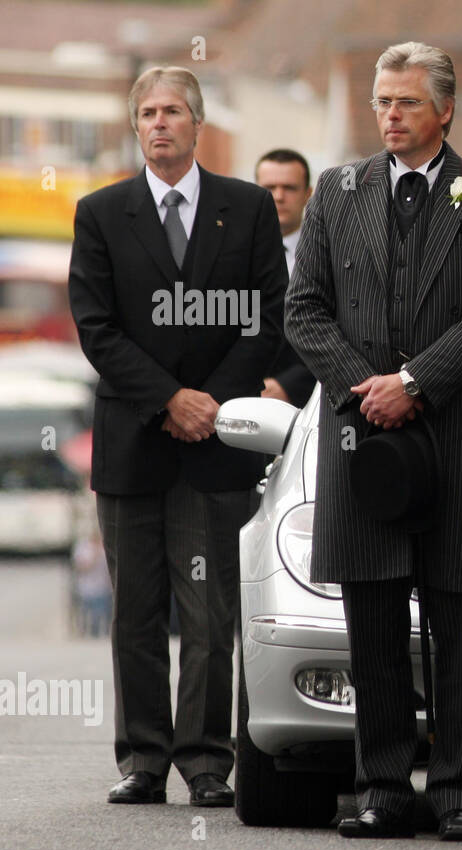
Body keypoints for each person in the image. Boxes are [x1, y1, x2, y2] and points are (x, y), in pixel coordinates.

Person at [286, 42, 462, 840]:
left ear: (445, 111)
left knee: (460, 622)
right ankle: (383, 787)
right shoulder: (337, 192)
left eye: (406, 103)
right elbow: (305, 312)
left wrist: (415, 382)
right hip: (365, 443)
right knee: (375, 621)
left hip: (457, 438)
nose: (389, 116)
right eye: (381, 103)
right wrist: (370, 389)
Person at [68, 66, 286, 806]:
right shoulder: (101, 214)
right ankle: (143, 759)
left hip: (215, 444)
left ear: (198, 124)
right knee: (135, 610)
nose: (159, 123)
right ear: (137, 128)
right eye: (148, 113)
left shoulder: (248, 208)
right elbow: (97, 330)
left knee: (208, 611)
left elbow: (265, 318)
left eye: (173, 112)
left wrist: (210, 404)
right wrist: (168, 400)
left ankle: (204, 761)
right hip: (134, 440)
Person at [255, 148, 316, 407]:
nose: (279, 196)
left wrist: (291, 385)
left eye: (289, 188)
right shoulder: (227, 253)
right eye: (269, 187)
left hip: (307, 402)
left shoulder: (330, 257)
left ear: (308, 194)